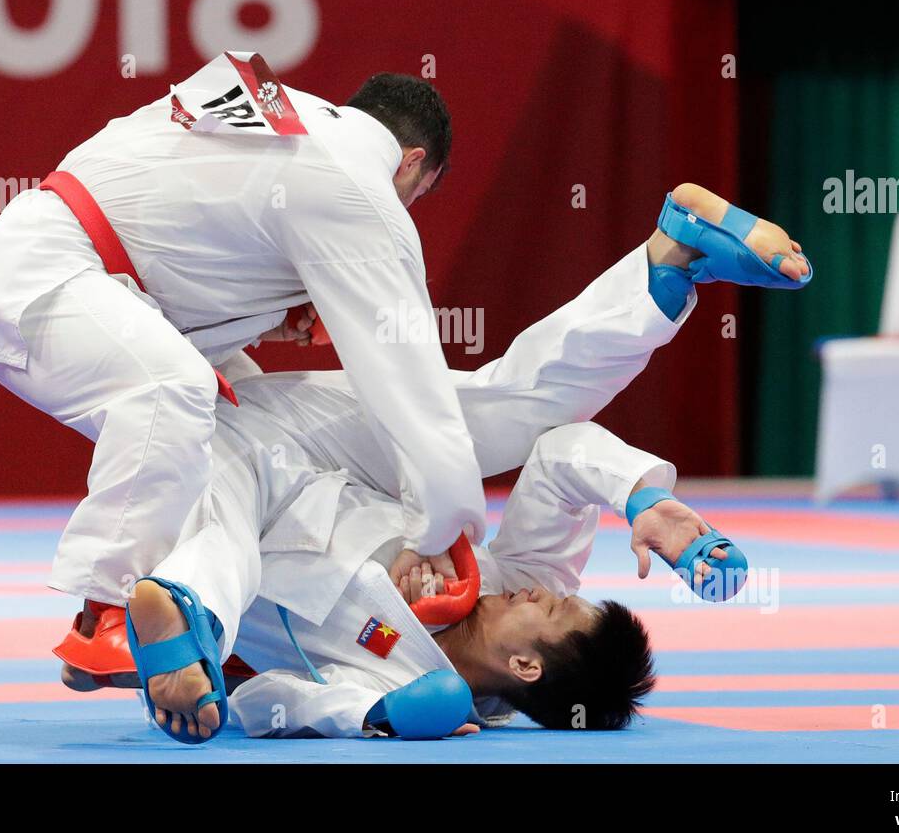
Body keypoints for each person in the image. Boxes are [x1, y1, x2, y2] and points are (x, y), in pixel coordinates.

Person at [112, 184, 811, 739]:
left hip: (240, 470)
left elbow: (275, 700)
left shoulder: (408, 678)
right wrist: (640, 499)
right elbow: (560, 454)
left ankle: (180, 606)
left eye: (558, 609)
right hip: (332, 442)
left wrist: (379, 717)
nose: (546, 591)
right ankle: (670, 263)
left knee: (224, 528)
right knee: (509, 406)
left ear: (526, 666)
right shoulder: (523, 580)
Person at [0, 53, 488, 672]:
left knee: (252, 435)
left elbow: (173, 232)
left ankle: (233, 625)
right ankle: (108, 611)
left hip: (65, 267)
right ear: (414, 163)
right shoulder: (361, 186)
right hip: (52, 276)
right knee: (173, 389)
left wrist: (262, 314)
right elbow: (409, 384)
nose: (407, 210)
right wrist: (447, 525)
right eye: (417, 196)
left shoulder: (289, 114)